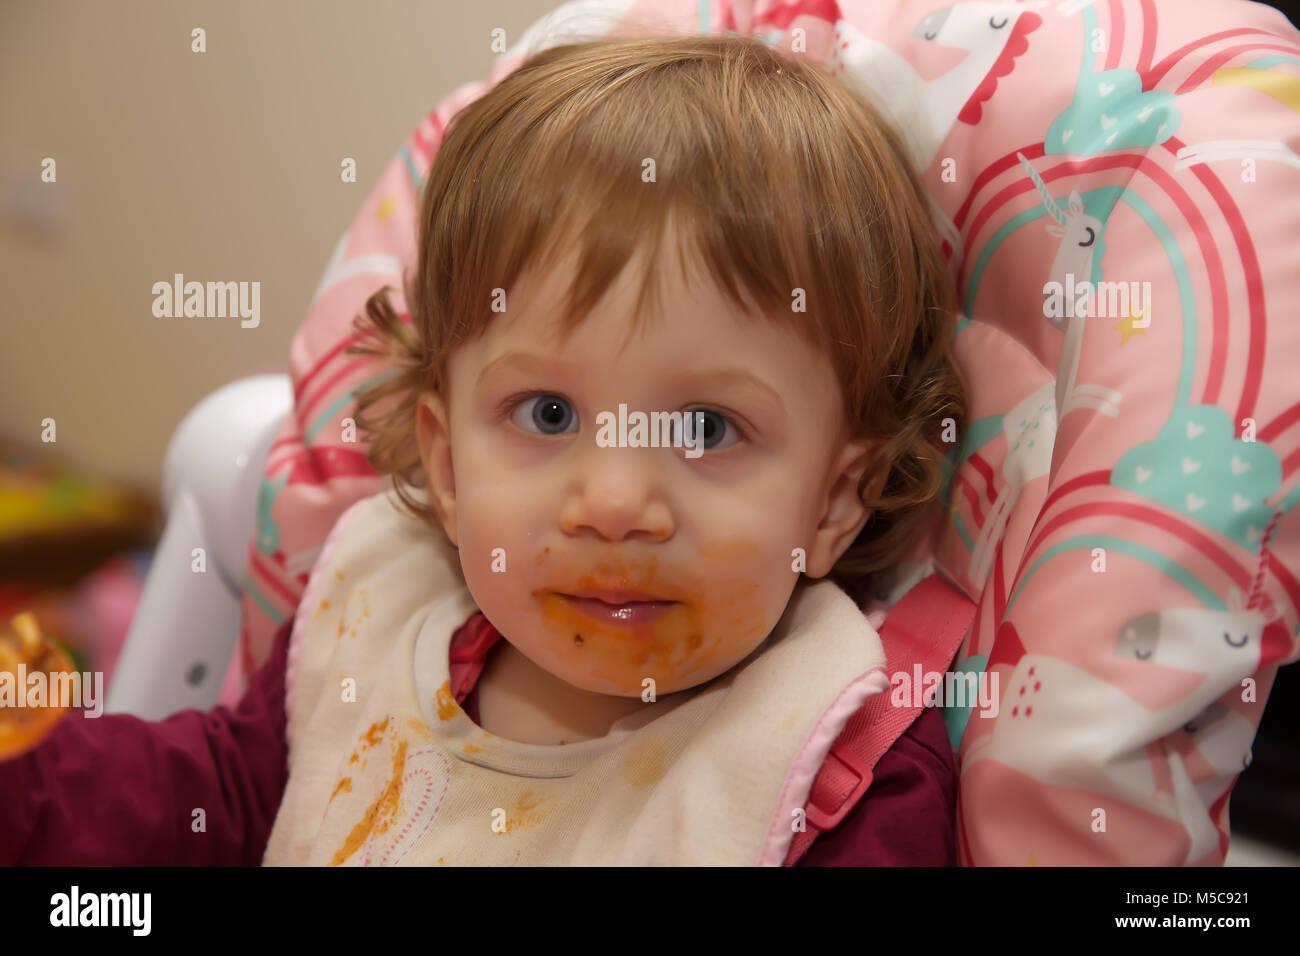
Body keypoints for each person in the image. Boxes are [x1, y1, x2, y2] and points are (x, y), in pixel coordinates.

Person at [2, 33, 967, 866]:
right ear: (449, 463)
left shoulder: (838, 777)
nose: (616, 500)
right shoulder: (379, 618)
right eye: (547, 414)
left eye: (705, 429)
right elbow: (225, 802)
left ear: (839, 499)